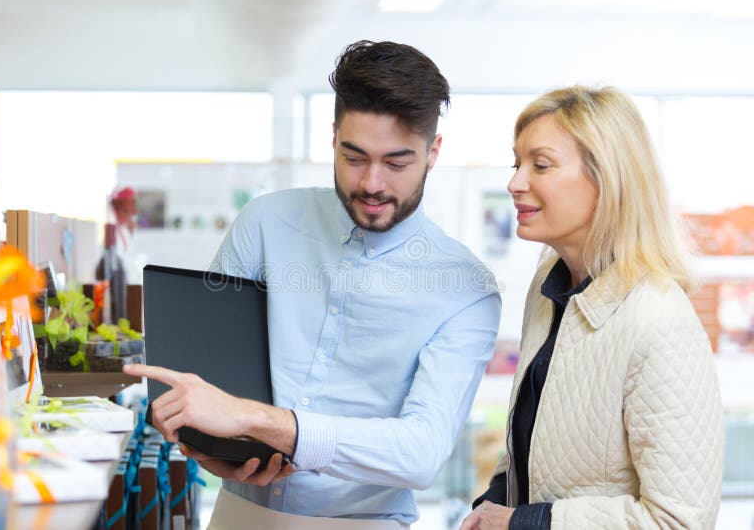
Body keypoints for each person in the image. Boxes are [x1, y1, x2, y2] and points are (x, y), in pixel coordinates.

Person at [126, 40, 501, 529]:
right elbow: (208, 375)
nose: (371, 183)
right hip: (240, 513)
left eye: (396, 162)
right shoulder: (267, 221)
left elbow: (421, 453)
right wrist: (198, 440)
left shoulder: (466, 289)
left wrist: (263, 423)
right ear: (332, 137)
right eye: (354, 156)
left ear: (433, 152)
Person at [460, 86, 724, 530]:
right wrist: (493, 504)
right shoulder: (547, 293)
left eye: (540, 165)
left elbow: (679, 521)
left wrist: (524, 523)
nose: (514, 183)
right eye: (516, 163)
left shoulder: (659, 321)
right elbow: (535, 443)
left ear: (607, 179)